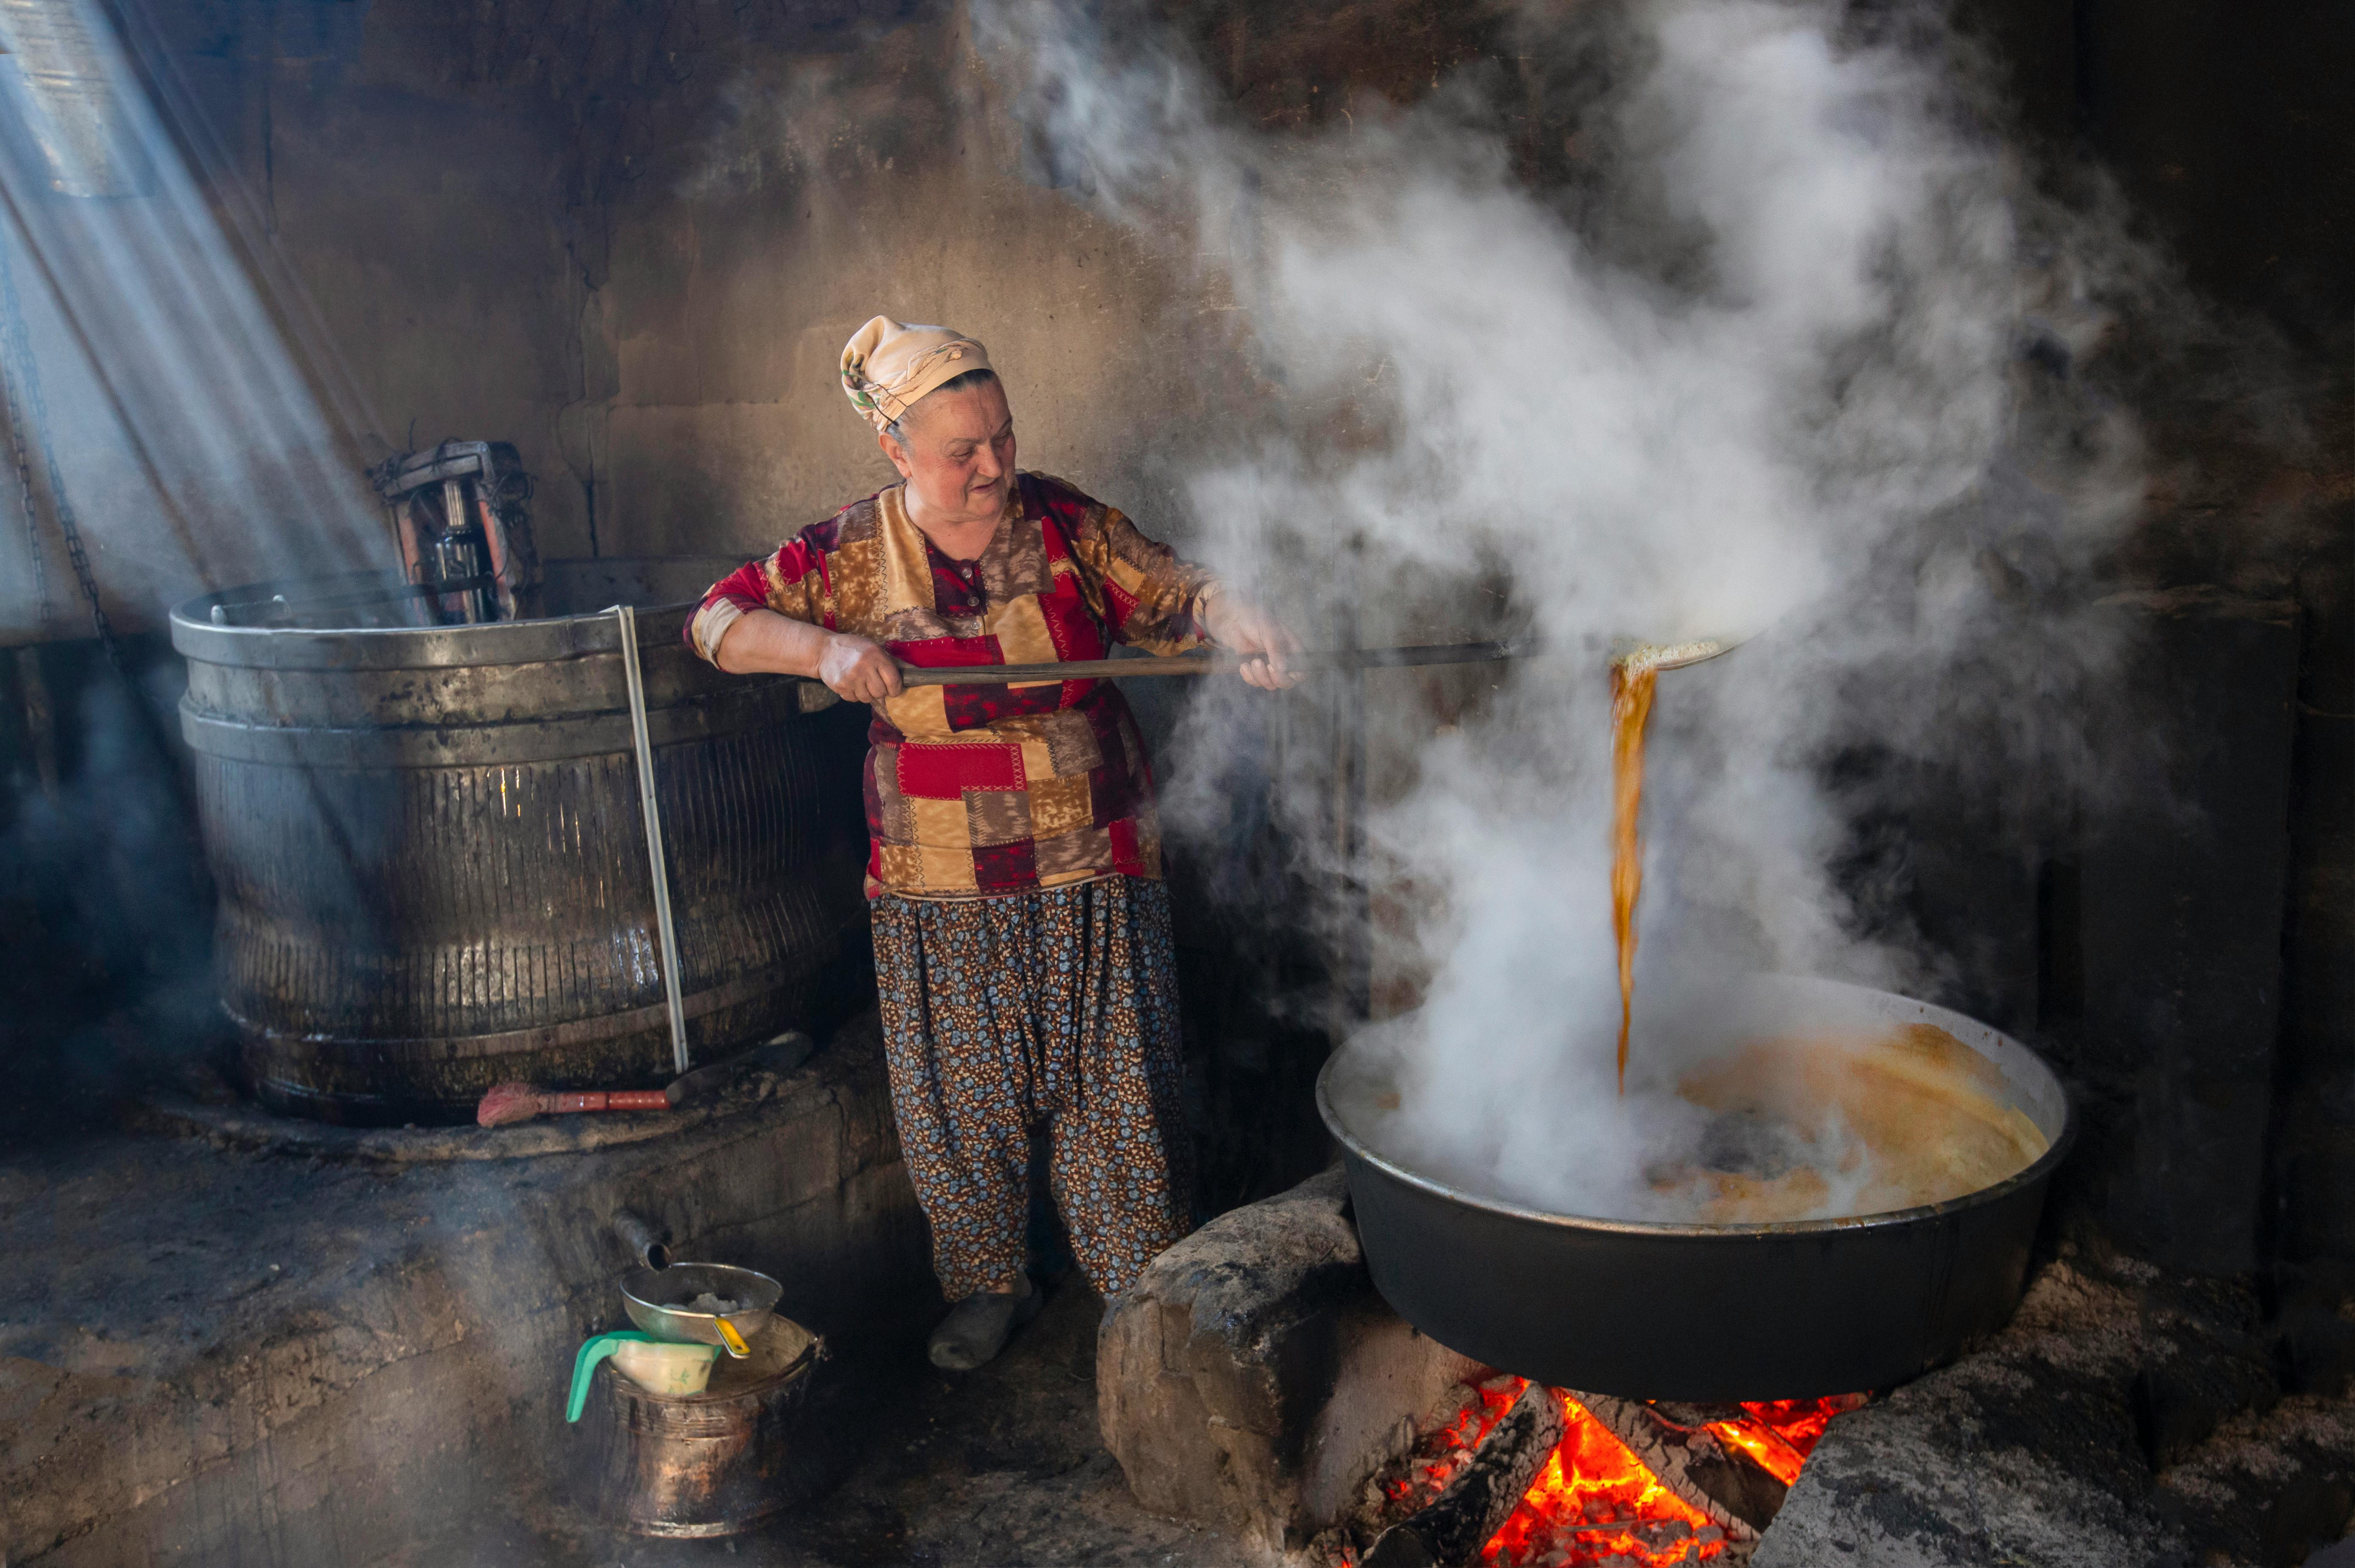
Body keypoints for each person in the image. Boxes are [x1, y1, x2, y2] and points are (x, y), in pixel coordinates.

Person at [687, 316, 1299, 1369]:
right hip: (940, 879)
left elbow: (1171, 593)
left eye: (1003, 438)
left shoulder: (1063, 522)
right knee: (959, 1104)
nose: (993, 466)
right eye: (962, 451)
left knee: (1122, 1098)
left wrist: (1228, 613)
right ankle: (988, 1284)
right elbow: (716, 622)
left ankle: (1141, 1294)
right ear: (896, 449)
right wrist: (826, 648)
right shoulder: (846, 554)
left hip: (1092, 858)